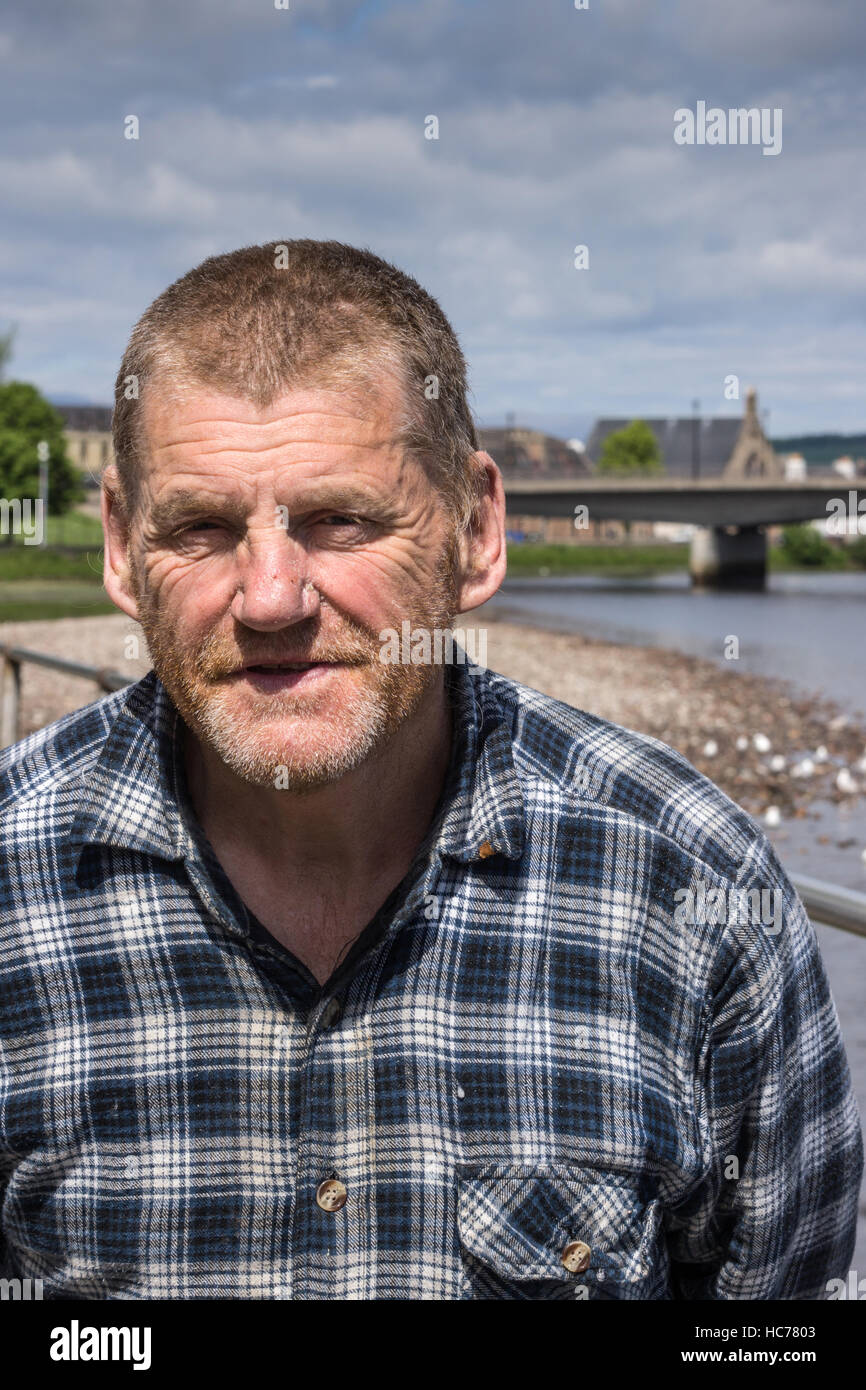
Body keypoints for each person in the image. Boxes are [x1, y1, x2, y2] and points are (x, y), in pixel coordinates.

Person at [0, 241, 861, 1300]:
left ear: (475, 530)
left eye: (341, 520)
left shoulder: (688, 887)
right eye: (201, 528)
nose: (269, 598)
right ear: (122, 547)